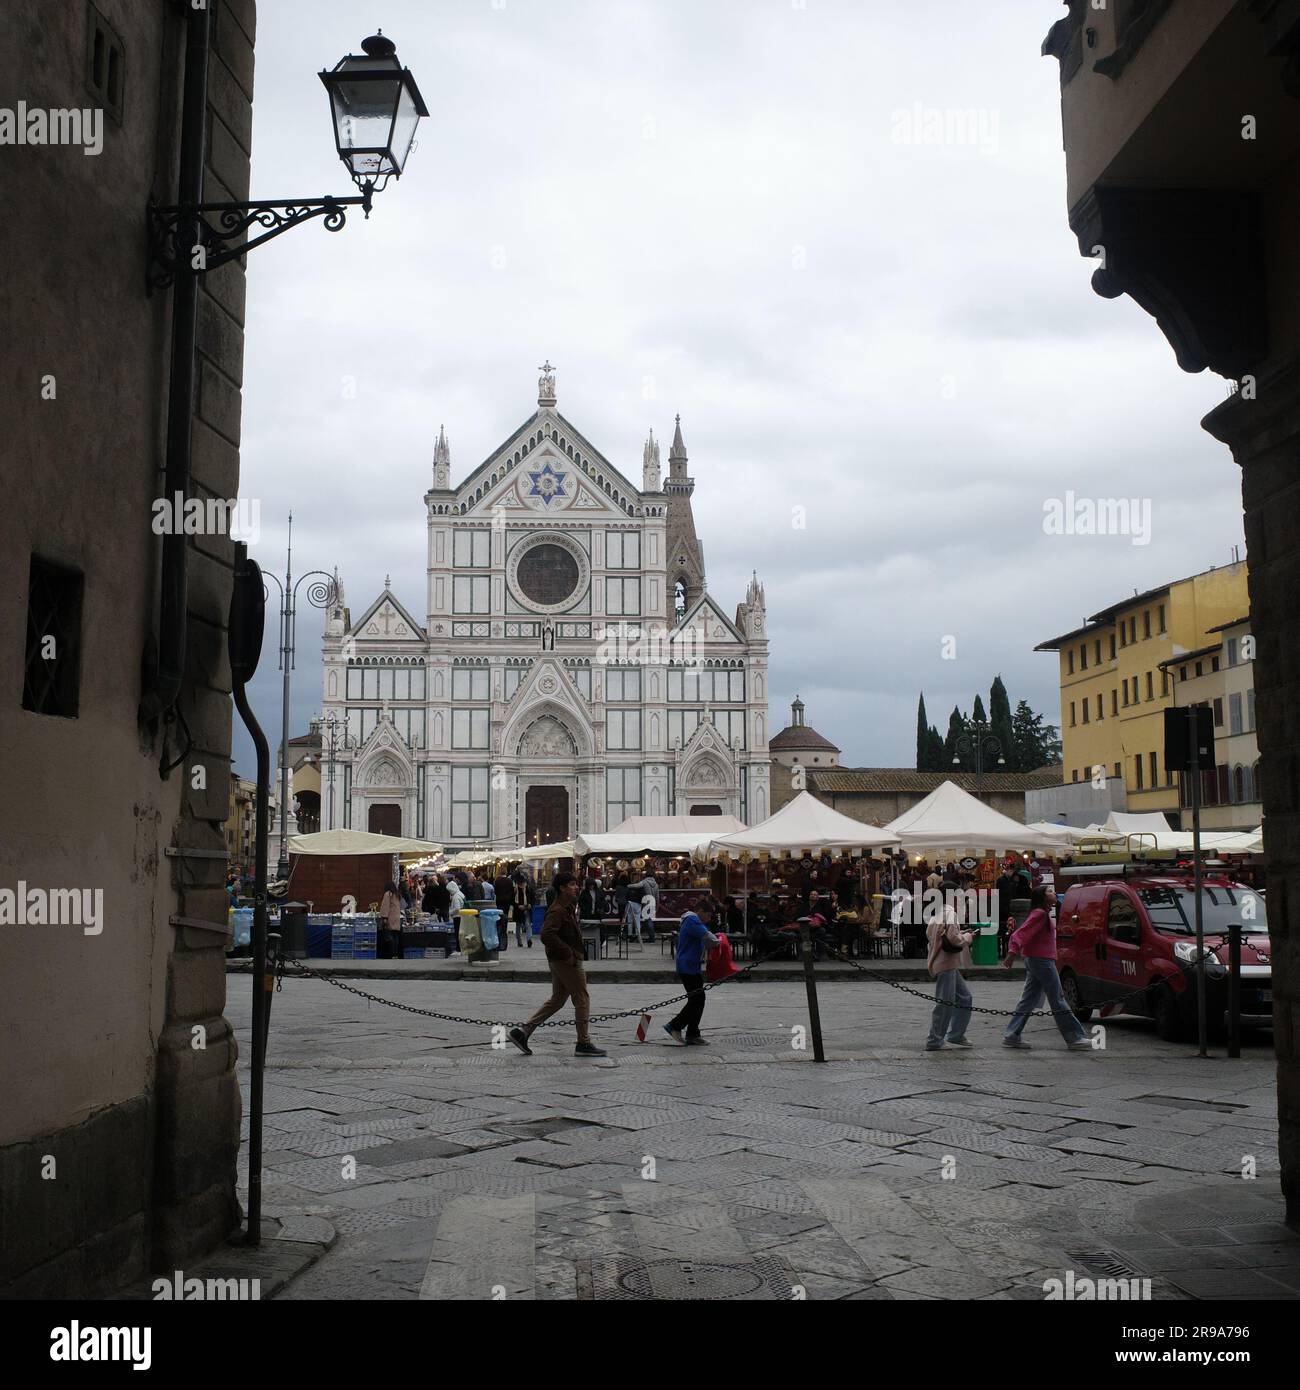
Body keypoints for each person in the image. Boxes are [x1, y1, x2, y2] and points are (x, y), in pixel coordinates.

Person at [507, 871, 607, 1057]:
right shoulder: (558, 910)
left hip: (560, 960)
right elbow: (547, 934)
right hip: (566, 961)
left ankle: (523, 1032)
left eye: (576, 884)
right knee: (582, 999)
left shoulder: (566, 907)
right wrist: (568, 953)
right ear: (562, 888)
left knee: (558, 999)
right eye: (572, 884)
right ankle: (583, 1042)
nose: (576, 887)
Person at [1002, 886, 1091, 1051]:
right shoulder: (1040, 914)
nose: (1054, 893)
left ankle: (1012, 1035)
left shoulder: (1042, 913)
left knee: (1028, 1000)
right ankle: (1075, 1037)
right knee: (1057, 998)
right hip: (1042, 961)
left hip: (1035, 959)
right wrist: (1011, 953)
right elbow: (1021, 934)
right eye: (1049, 891)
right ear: (1042, 897)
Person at [664, 898, 721, 1045]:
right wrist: (720, 941)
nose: (709, 919)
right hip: (688, 966)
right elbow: (709, 937)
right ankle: (676, 1026)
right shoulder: (693, 920)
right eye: (708, 915)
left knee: (697, 999)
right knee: (697, 999)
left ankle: (692, 1032)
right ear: (700, 911)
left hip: (690, 965)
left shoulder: (690, 920)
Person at [925, 900, 974, 1050]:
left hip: (944, 962)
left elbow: (930, 934)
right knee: (945, 1002)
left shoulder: (937, 914)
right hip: (946, 963)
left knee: (965, 997)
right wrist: (968, 937)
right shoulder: (950, 914)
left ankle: (956, 1034)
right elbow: (954, 939)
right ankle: (935, 1040)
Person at [995, 863, 1018, 959]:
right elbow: (1001, 893)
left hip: (1008, 907)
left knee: (1008, 929)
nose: (1011, 872)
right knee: (1002, 929)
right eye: (1010, 870)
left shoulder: (1011, 880)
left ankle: (1007, 949)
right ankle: (1001, 951)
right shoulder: (1001, 880)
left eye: (1012, 871)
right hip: (1002, 908)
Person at [379, 880, 403, 959]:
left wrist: (384, 917)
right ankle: (396, 954)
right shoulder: (397, 894)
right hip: (397, 917)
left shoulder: (388, 894)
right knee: (396, 936)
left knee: (390, 936)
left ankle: (391, 953)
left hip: (390, 917)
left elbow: (385, 906)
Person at [511, 871, 534, 948]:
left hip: (526, 909)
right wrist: (517, 906)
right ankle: (519, 941)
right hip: (518, 910)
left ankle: (529, 939)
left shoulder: (528, 888)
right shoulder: (515, 890)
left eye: (523, 883)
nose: (522, 885)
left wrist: (530, 904)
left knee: (528, 925)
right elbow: (511, 900)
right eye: (521, 884)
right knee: (518, 925)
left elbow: (532, 898)